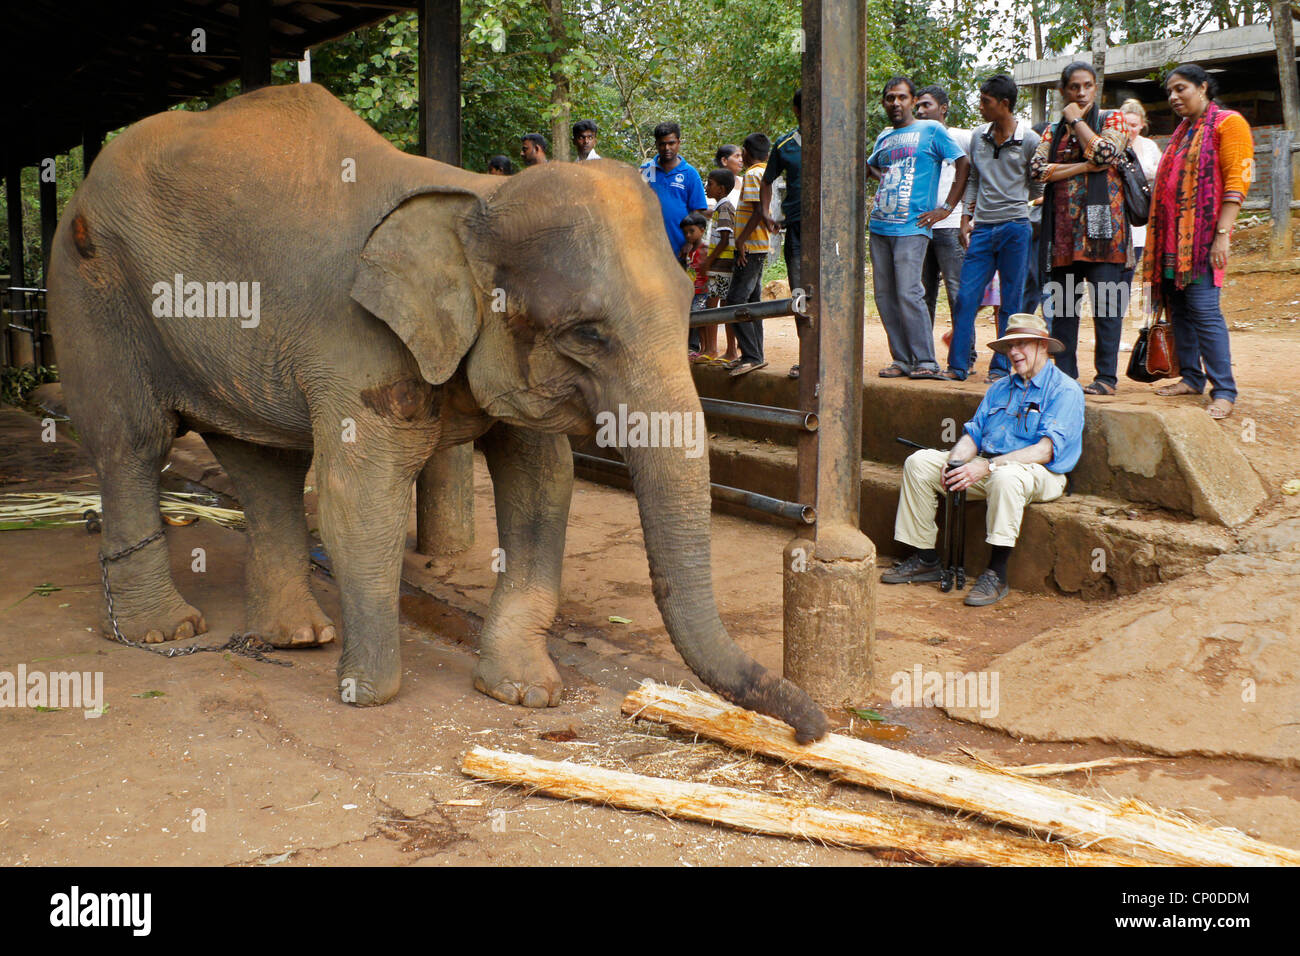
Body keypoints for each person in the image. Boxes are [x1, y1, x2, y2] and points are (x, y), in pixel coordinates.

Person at [882, 312, 1084, 606]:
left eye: (1022, 344)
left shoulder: (1065, 390)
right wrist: (955, 462)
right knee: (920, 462)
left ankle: (996, 573)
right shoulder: (1000, 387)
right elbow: (973, 435)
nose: (1014, 352)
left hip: (1041, 473)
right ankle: (926, 558)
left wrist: (988, 466)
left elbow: (1045, 450)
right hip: (989, 466)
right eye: (1009, 347)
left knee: (1006, 476)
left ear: (1042, 346)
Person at [1143, 64, 1253, 421]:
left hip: (1204, 240)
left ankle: (1224, 390)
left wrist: (1223, 234)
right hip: (1173, 243)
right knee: (1181, 313)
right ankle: (1191, 377)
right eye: (1170, 92)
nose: (1174, 97)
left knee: (1205, 312)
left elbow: (1238, 179)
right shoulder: (1182, 133)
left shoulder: (1228, 123)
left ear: (1203, 87)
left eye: (1181, 89)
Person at [1031, 61, 1131, 397]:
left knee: (1106, 306)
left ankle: (1106, 378)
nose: (1082, 92)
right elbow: (1037, 171)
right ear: (1063, 91)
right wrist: (1084, 166)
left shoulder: (1112, 119)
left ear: (1095, 87)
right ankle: (1065, 377)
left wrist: (1076, 120)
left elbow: (1103, 153)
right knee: (1062, 309)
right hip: (1063, 232)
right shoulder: (1051, 129)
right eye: (1074, 87)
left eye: (1088, 85)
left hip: (1104, 231)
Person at [869, 76, 969, 380]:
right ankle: (901, 359)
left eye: (901, 97)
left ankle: (925, 361)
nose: (895, 103)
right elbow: (870, 164)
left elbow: (963, 164)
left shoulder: (931, 130)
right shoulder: (885, 137)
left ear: (913, 101)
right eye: (890, 98)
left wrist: (946, 208)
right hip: (879, 225)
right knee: (884, 295)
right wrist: (887, 178)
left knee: (909, 292)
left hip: (913, 226)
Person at [944, 74, 1042, 383]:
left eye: (986, 102)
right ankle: (957, 367)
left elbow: (1039, 184)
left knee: (1010, 302)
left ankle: (1000, 369)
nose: (980, 106)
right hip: (983, 228)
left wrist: (1023, 214)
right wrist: (965, 217)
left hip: (1016, 227)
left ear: (1004, 104)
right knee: (966, 297)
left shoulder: (1029, 140)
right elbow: (973, 179)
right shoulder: (978, 136)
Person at [639, 122, 708, 351]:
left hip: (681, 250)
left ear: (679, 142)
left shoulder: (690, 174)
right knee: (652, 295)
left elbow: (697, 212)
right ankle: (657, 343)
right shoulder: (646, 170)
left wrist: (690, 243)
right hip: (650, 250)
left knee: (685, 296)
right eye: (662, 144)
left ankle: (690, 344)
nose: (667, 148)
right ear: (656, 145)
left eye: (671, 143)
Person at [915, 85, 971, 340]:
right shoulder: (916, 139)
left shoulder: (961, 137)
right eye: (918, 106)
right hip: (920, 227)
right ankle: (923, 357)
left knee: (957, 292)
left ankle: (963, 357)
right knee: (922, 295)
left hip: (950, 226)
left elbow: (974, 171)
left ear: (943, 108)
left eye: (926, 105)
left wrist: (961, 213)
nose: (920, 110)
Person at [762, 90, 805, 378]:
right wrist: (766, 213)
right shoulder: (785, 144)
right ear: (797, 110)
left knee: (832, 294)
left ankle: (832, 356)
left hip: (832, 233)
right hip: (798, 231)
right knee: (801, 293)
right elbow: (767, 181)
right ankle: (807, 357)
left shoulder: (837, 138)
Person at [725, 132, 774, 377]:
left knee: (735, 301)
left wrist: (741, 240)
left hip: (751, 247)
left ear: (746, 151)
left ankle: (752, 355)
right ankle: (754, 354)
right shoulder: (763, 173)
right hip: (757, 246)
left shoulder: (754, 174)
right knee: (753, 303)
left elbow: (757, 212)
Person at [1118, 99, 1162, 316]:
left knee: (1128, 276)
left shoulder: (1150, 147)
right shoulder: (1114, 146)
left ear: (1142, 124)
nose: (1130, 130)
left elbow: (1161, 172)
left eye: (1134, 125)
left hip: (1139, 219)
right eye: (1126, 124)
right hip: (1117, 217)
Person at [697, 168, 738, 364]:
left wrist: (708, 261)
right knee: (719, 305)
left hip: (721, 267)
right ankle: (725, 349)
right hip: (721, 266)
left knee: (715, 305)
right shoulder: (723, 206)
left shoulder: (724, 208)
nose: (706, 187)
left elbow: (723, 240)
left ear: (721, 189)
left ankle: (716, 349)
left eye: (710, 184)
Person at [1022, 121, 1051, 316]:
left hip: (1042, 229)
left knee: (1041, 286)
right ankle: (1016, 335)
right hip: (1034, 229)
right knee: (1034, 286)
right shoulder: (1031, 163)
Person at [680, 213, 711, 356]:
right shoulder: (689, 251)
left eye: (691, 231)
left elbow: (707, 272)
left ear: (702, 230)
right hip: (692, 292)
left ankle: (705, 348)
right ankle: (701, 348)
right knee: (695, 320)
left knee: (701, 320)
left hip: (702, 292)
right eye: (685, 232)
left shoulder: (704, 250)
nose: (688, 235)